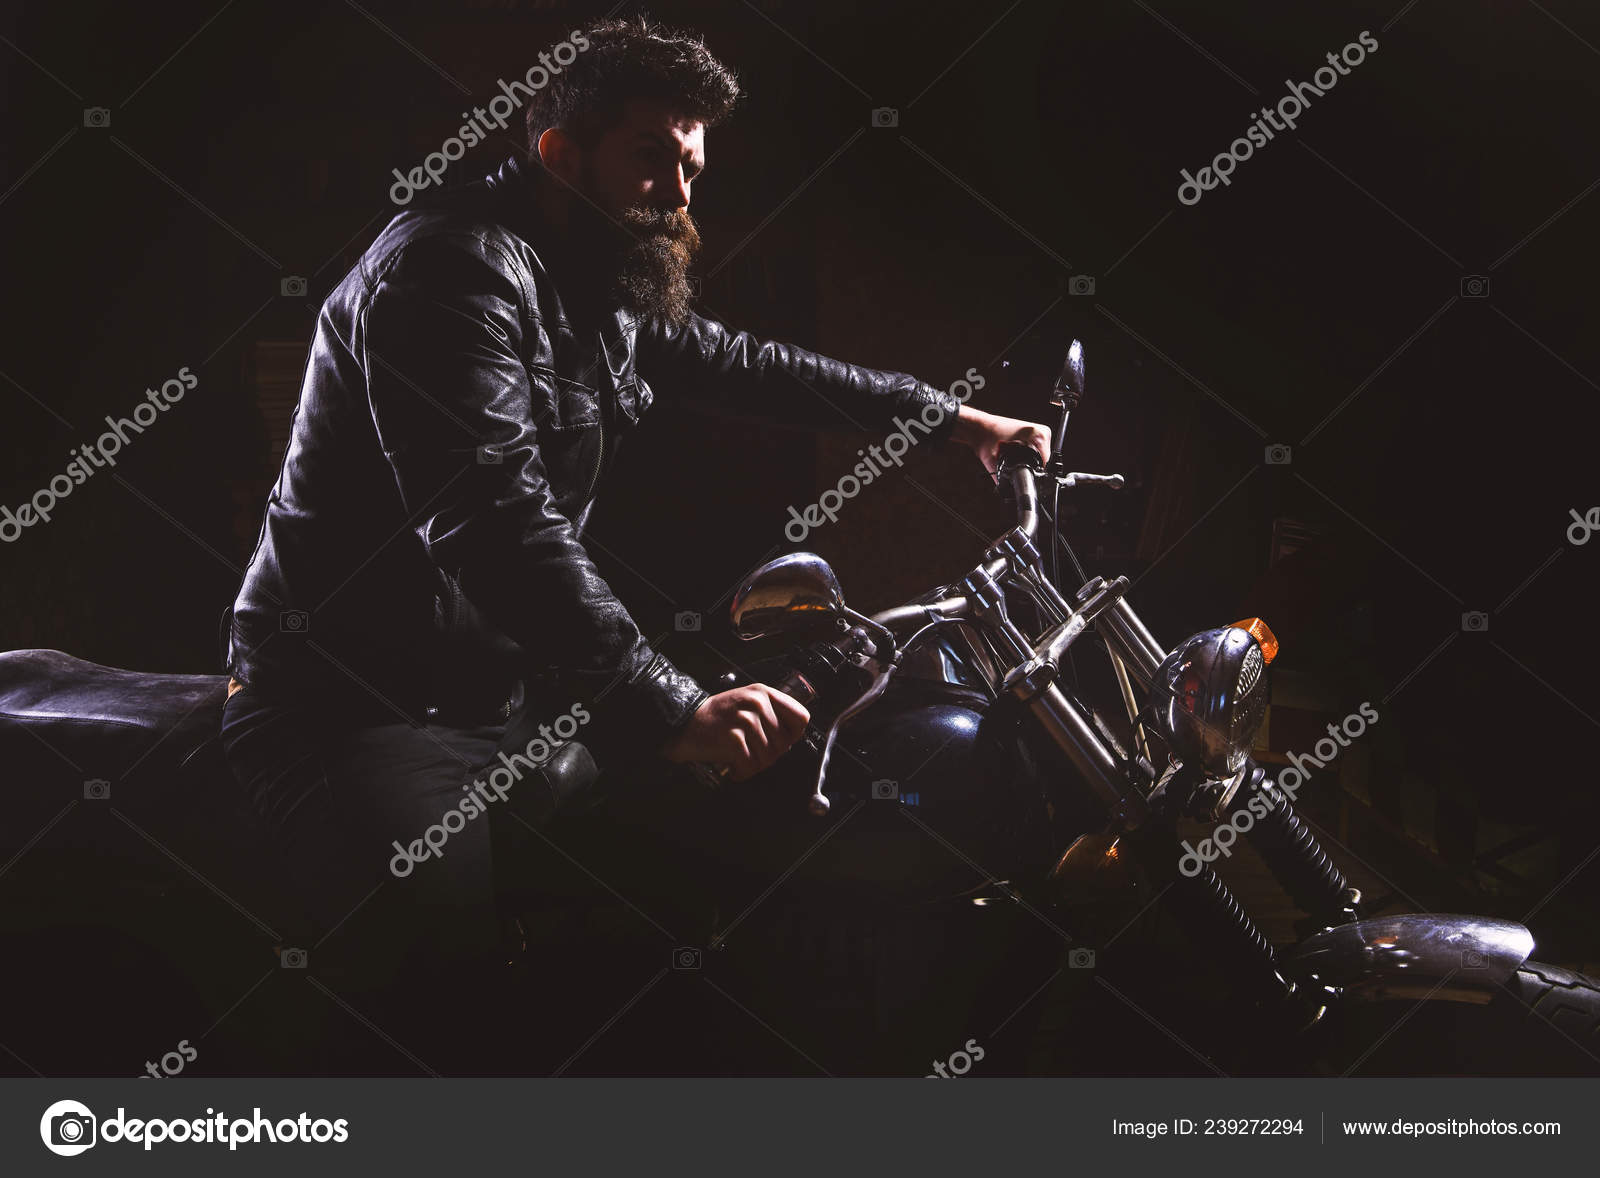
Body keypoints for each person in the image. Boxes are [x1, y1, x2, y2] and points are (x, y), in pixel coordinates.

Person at [218, 14, 1050, 1072]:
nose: (680, 192)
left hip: (499, 689)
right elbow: (494, 517)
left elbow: (746, 363)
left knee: (680, 892)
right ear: (561, 152)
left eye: (692, 165)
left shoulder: (591, 272)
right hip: (355, 705)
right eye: (653, 156)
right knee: (439, 1001)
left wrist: (952, 419)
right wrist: (669, 702)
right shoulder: (448, 272)